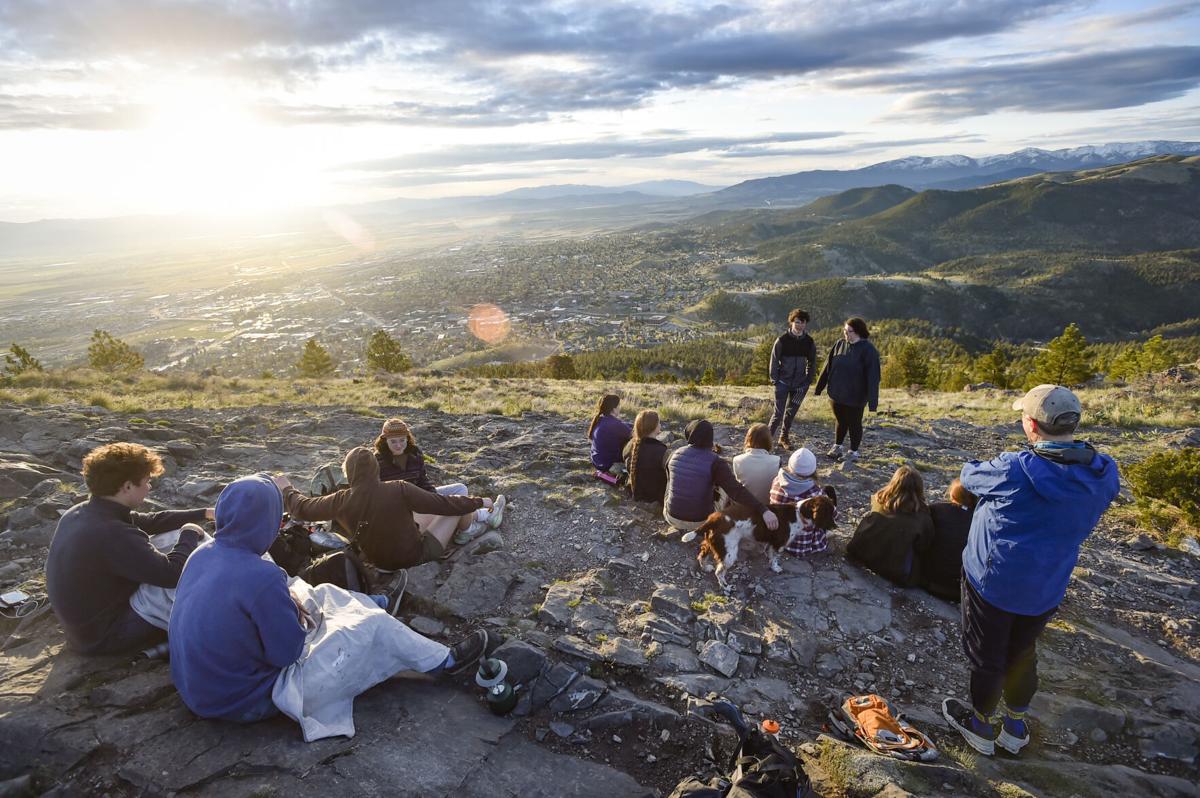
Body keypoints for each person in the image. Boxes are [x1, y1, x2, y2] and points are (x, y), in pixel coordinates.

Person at [169, 474, 494, 726]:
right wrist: (297, 620)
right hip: (242, 700)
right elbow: (287, 653)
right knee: (373, 629)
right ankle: (446, 661)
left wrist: (289, 606)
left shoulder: (203, 552)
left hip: (197, 689)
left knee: (319, 592)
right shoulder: (260, 576)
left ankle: (373, 604)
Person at [942, 385, 1119, 757]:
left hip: (993, 580)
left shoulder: (1015, 470)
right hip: (1047, 585)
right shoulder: (1104, 474)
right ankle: (1016, 725)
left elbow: (969, 476)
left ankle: (979, 725)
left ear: (1031, 424)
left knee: (987, 656)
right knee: (1023, 651)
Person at [44, 442, 213, 655]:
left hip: (86, 627)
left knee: (172, 537)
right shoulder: (112, 533)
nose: (149, 487)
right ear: (127, 486)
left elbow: (151, 522)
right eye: (147, 481)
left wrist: (205, 512)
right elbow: (171, 575)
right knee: (195, 567)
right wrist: (189, 532)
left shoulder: (85, 512)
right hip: (107, 635)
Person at [277, 447, 495, 571]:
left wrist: (286, 488)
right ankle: (473, 526)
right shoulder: (398, 489)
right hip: (413, 557)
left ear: (347, 472)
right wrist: (479, 501)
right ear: (375, 468)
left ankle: (474, 520)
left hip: (376, 561)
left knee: (430, 511)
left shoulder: (340, 499)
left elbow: (301, 508)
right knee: (455, 507)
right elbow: (443, 504)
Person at [374, 416, 505, 540]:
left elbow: (423, 480)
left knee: (461, 489)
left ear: (407, 438)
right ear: (384, 440)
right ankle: (482, 517)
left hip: (423, 497)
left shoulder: (414, 453)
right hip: (406, 511)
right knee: (453, 504)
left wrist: (434, 498)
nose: (398, 445)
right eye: (393, 442)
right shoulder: (376, 462)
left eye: (402, 440)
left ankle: (466, 527)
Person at [664, 419, 779, 541]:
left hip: (671, 516)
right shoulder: (716, 462)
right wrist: (763, 509)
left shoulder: (674, 454)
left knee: (672, 479)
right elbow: (736, 491)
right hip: (701, 521)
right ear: (710, 439)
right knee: (725, 486)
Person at [845, 465, 934, 587]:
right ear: (919, 489)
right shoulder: (923, 517)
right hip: (895, 572)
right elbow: (923, 546)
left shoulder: (879, 500)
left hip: (862, 554)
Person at [814, 317, 881, 462]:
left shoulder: (868, 351)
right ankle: (837, 446)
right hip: (836, 395)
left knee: (854, 423)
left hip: (856, 397)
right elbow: (827, 367)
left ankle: (853, 452)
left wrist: (872, 403)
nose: (845, 334)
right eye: (844, 330)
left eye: (849, 331)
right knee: (840, 420)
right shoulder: (839, 344)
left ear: (858, 332)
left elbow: (873, 378)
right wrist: (819, 388)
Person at [768, 447, 835, 556]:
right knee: (828, 499)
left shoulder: (776, 480)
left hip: (777, 537)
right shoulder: (815, 493)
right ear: (813, 470)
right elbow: (833, 515)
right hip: (800, 546)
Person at [768, 308, 817, 450]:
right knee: (778, 413)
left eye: (802, 322)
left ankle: (784, 438)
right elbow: (774, 360)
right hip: (782, 383)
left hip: (800, 386)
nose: (799, 325)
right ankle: (767, 439)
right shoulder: (782, 340)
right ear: (791, 322)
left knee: (791, 413)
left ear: (806, 323)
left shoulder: (809, 342)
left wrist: (808, 381)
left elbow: (812, 362)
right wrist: (775, 380)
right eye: (797, 322)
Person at [921, 479, 976, 601]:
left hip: (927, 580)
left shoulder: (936, 509)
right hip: (958, 591)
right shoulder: (979, 521)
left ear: (952, 493)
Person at [623, 410, 668, 503]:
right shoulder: (662, 451)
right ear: (654, 427)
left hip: (634, 491)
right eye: (659, 422)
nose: (660, 425)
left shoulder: (630, 445)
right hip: (655, 497)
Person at [731, 424, 781, 506]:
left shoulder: (737, 460)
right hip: (768, 508)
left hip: (744, 508)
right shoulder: (777, 460)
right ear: (768, 441)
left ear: (748, 439)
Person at [588, 394, 631, 474]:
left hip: (597, 461)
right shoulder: (615, 424)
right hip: (608, 464)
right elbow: (634, 434)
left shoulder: (599, 420)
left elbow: (625, 426)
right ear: (614, 409)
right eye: (619, 405)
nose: (620, 408)